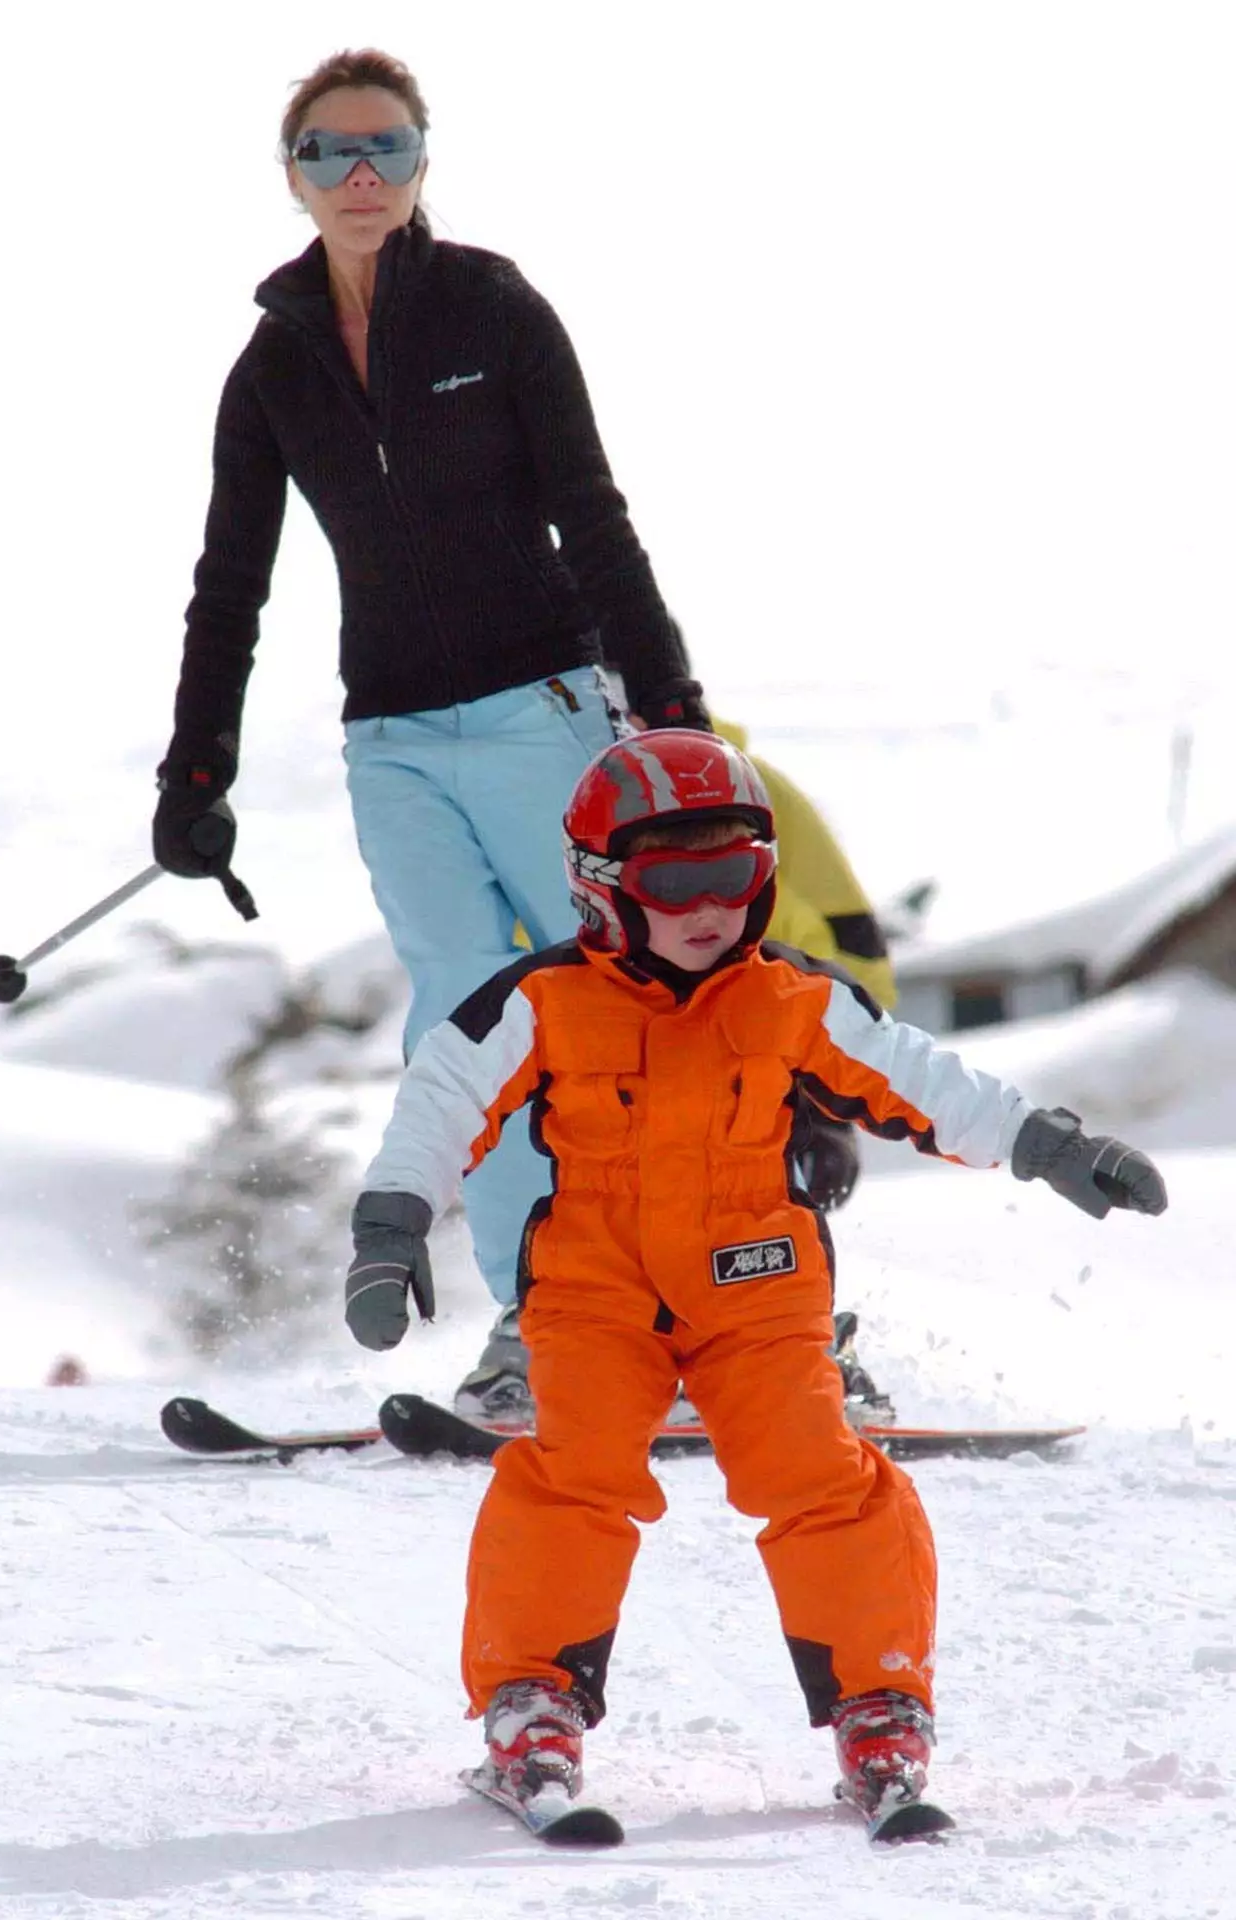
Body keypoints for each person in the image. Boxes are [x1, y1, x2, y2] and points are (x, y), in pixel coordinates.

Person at [341, 728, 1167, 1823]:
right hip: (594, 1293)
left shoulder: (792, 998)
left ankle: (877, 1710)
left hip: (758, 1290)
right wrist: (391, 1226)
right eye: (673, 882)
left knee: (818, 1476)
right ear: (599, 887)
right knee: (573, 1474)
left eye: (732, 879)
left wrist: (1051, 1145)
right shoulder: (540, 1002)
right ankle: (530, 1706)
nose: (707, 910)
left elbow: (923, 1079)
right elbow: (440, 1100)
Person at [151, 48, 708, 1326]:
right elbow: (227, 585)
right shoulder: (273, 371)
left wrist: (667, 707)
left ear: (420, 164)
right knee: (465, 1028)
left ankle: (710, 1289)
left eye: (386, 147)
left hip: (546, 712)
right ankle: (543, 1320)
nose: (360, 175)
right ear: (290, 178)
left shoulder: (494, 310)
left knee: (616, 1005)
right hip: (392, 741)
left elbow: (593, 515)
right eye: (329, 152)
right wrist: (194, 773)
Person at [454, 714, 899, 1426]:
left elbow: (848, 922)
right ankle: (556, 1349)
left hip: (764, 1029)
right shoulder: (581, 798)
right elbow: (533, 933)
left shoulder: (747, 788)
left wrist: (835, 1083)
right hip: (622, 1036)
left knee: (756, 1195)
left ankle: (807, 1357)